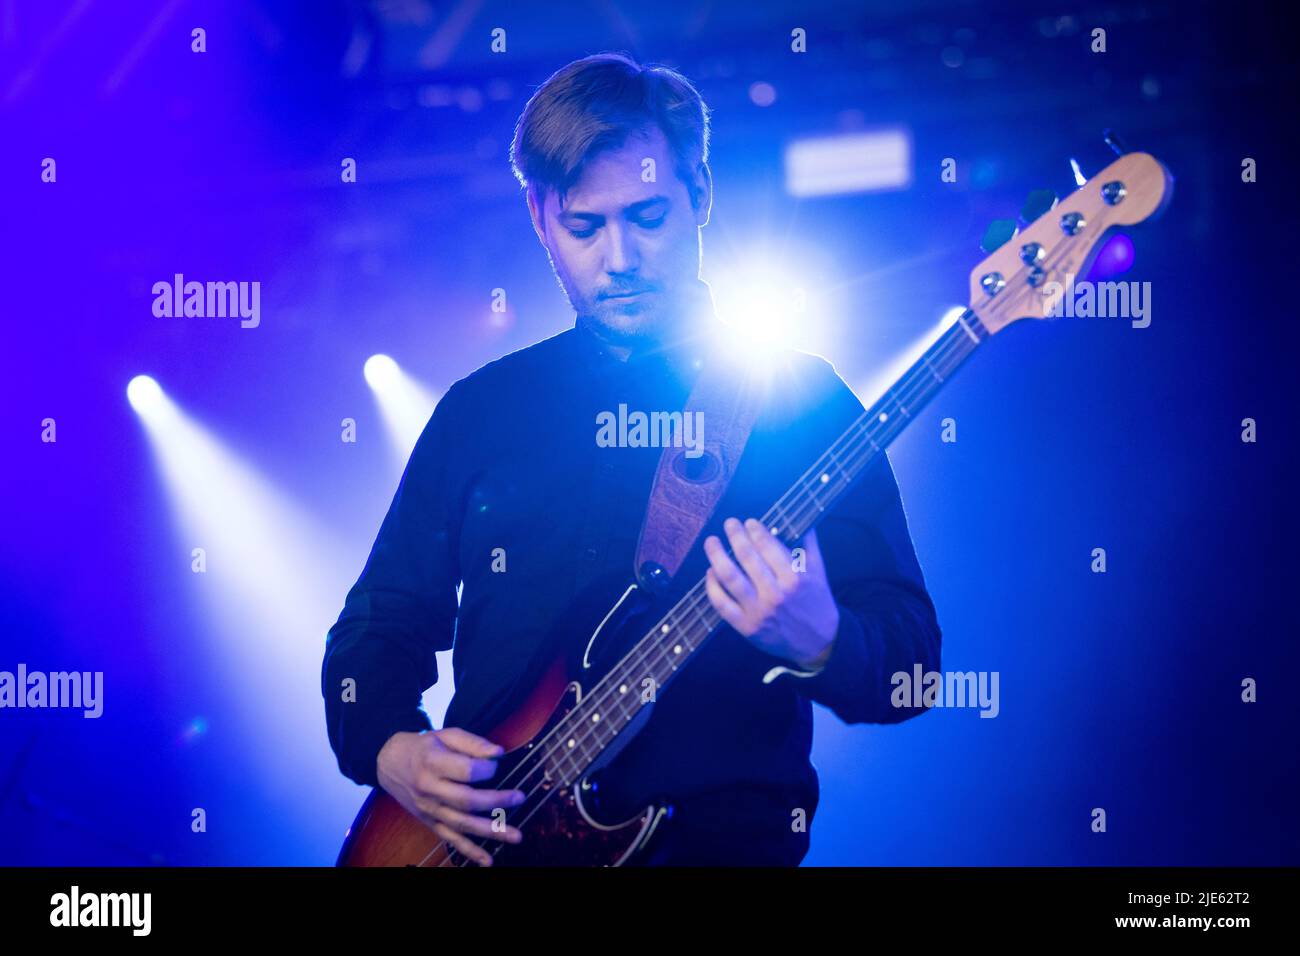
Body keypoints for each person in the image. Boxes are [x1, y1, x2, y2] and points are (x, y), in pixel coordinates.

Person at [322, 51, 941, 866]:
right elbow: (380, 624)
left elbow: (916, 669)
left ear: (701, 198)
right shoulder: (481, 410)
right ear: (541, 221)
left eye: (648, 216)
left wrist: (821, 639)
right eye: (585, 226)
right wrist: (391, 748)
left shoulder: (800, 403)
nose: (620, 257)